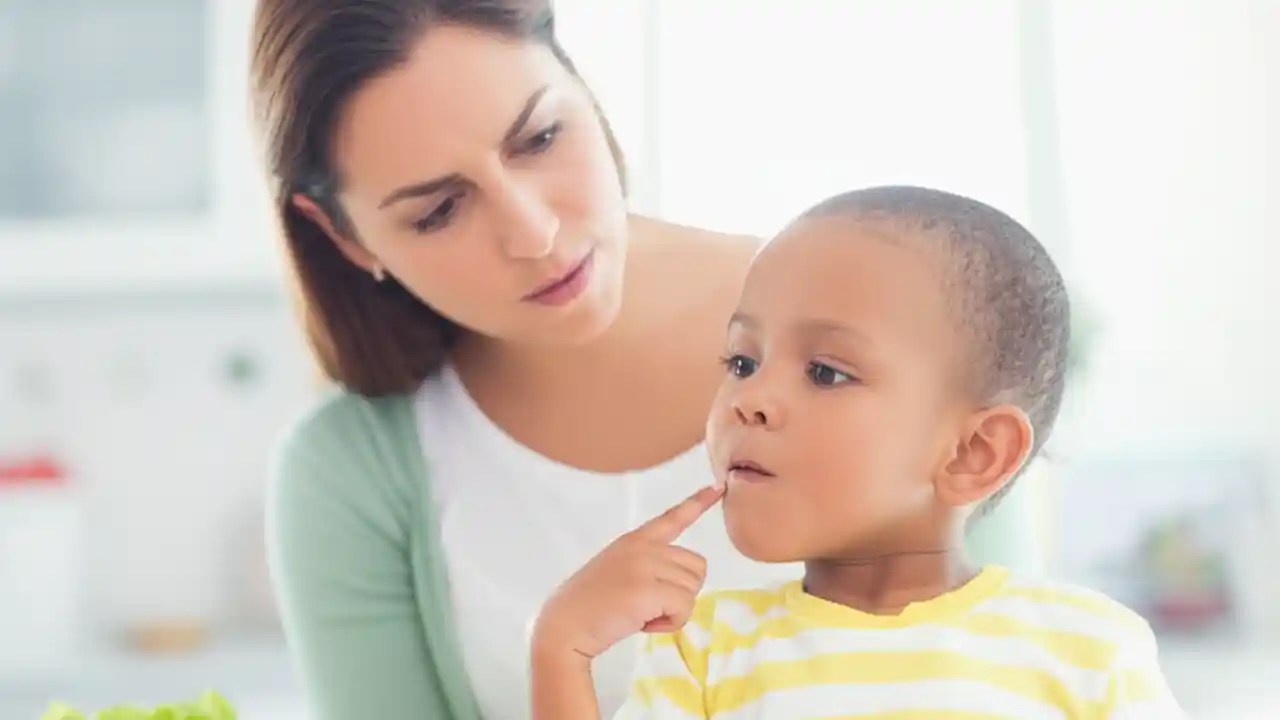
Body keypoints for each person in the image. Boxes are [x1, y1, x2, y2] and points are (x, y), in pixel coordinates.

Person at [250, 1, 1035, 717]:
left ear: (580, 86)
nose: (533, 233)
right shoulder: (353, 475)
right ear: (345, 237)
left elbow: (1008, 681)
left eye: (540, 138)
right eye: (440, 210)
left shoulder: (901, 324)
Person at [531, 186, 1184, 718]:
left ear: (973, 453)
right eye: (742, 360)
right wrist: (561, 650)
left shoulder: (1090, 652)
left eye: (825, 372)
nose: (747, 399)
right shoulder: (701, 652)